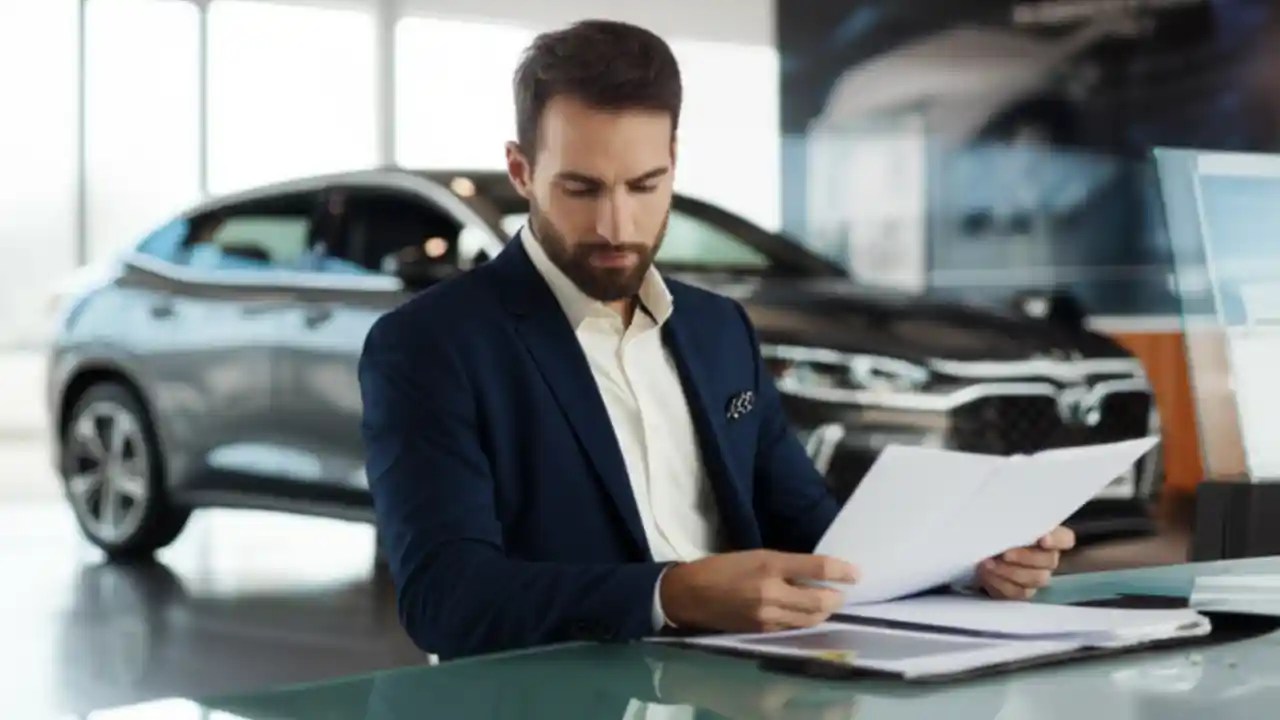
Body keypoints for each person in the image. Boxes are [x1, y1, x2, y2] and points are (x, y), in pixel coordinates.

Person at [358, 18, 1076, 660]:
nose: (617, 226)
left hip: (743, 688)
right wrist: (671, 595)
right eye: (581, 189)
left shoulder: (718, 329)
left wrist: (966, 564)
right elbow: (446, 601)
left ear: (674, 160)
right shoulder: (431, 345)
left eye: (645, 185)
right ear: (522, 171)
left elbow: (818, 535)